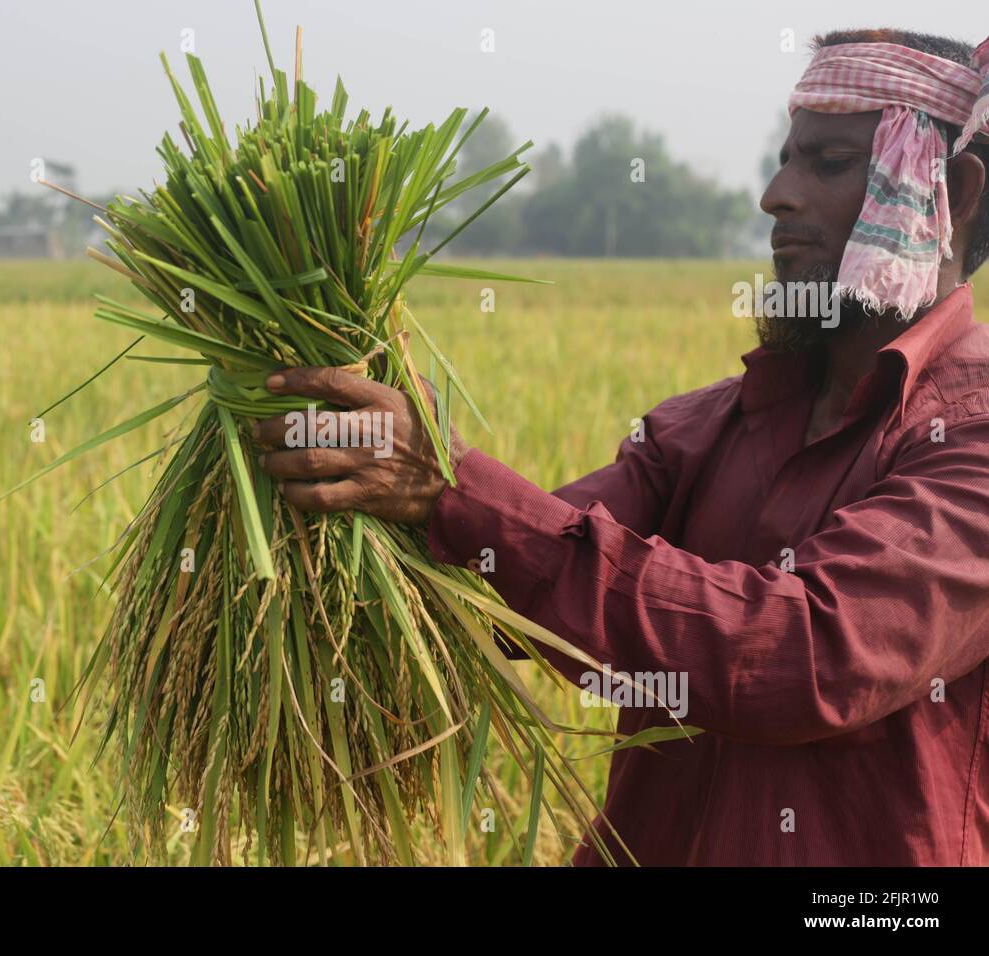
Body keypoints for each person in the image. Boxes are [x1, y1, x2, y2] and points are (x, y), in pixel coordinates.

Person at [252, 29, 989, 865]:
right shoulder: (702, 430)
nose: (775, 195)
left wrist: (450, 487)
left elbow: (810, 654)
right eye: (786, 159)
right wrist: (333, 461)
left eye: (827, 164)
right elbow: (500, 590)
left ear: (952, 192)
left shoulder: (971, 438)